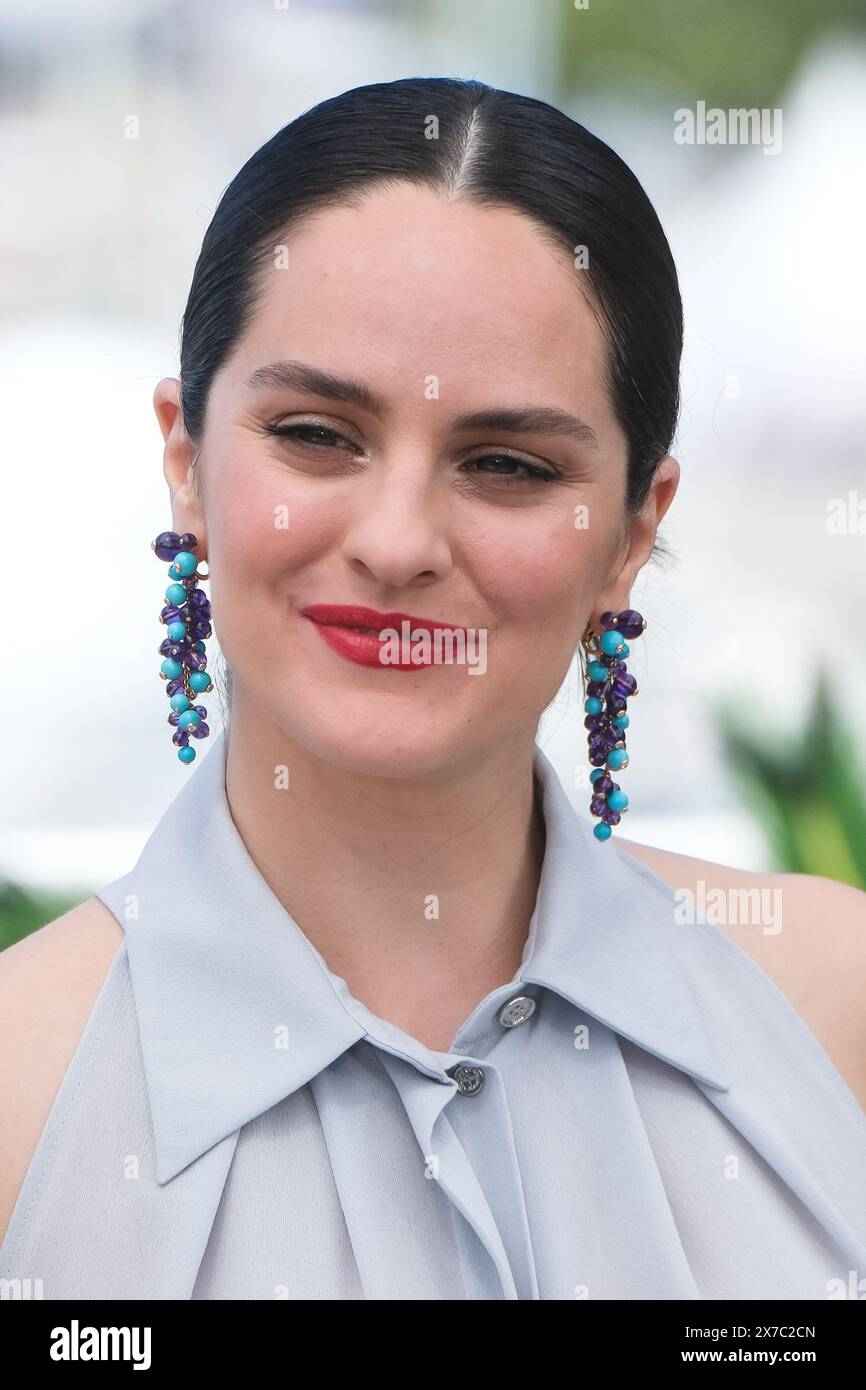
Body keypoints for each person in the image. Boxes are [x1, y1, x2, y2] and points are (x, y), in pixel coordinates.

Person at [1, 76, 864, 1301]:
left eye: (506, 463)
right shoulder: (16, 1098)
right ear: (186, 467)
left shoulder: (835, 1009)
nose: (397, 540)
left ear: (629, 533)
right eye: (315, 433)